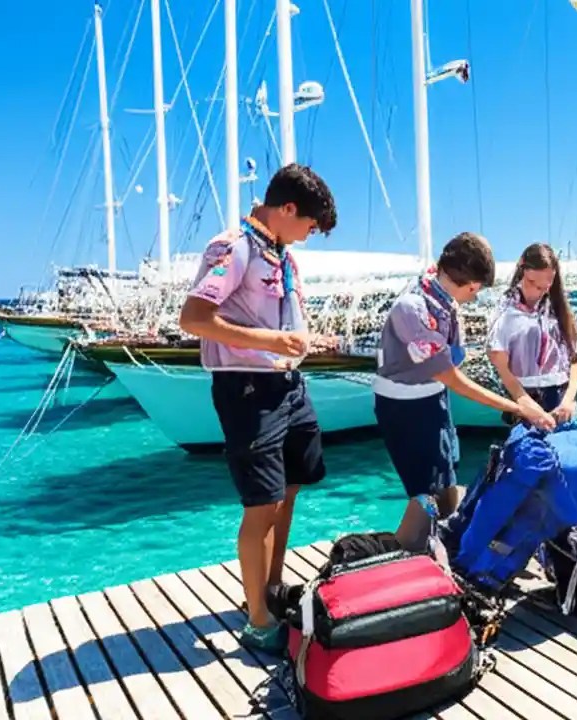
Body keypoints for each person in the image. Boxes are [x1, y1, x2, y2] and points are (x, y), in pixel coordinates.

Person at [178, 163, 338, 653]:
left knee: (288, 491)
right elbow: (194, 318)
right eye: (309, 226)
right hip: (247, 388)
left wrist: (306, 341)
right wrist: (272, 339)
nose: (309, 236)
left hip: (288, 385)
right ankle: (258, 621)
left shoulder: (281, 253)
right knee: (260, 504)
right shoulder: (235, 248)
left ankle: (268, 590)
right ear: (287, 209)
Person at [374, 232, 555, 550]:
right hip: (405, 408)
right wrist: (518, 406)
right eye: (477, 291)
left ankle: (447, 543)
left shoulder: (445, 303)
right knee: (425, 493)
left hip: (432, 399)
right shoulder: (412, 308)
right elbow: (452, 377)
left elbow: (451, 366)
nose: (475, 297)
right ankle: (402, 554)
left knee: (446, 483)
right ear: (472, 286)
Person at [487, 243, 577, 424]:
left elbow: (575, 359)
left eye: (546, 286)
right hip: (525, 396)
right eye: (532, 283)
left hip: (562, 399)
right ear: (522, 269)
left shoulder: (560, 310)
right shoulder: (505, 312)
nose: (538, 291)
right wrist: (525, 403)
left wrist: (568, 401)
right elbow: (501, 366)